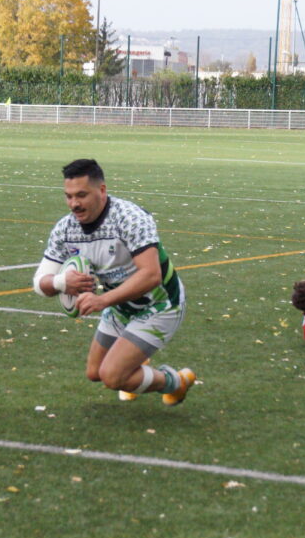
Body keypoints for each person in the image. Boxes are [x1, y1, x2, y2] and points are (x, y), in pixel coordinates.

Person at [32, 159, 195, 405]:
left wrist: (102, 300)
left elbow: (151, 275)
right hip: (120, 306)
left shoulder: (129, 218)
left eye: (81, 195)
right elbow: (40, 283)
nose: (74, 204)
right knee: (94, 373)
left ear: (102, 190)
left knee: (112, 376)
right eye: (68, 197)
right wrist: (61, 282)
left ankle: (176, 382)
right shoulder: (65, 230)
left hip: (160, 304)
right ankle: (134, 365)